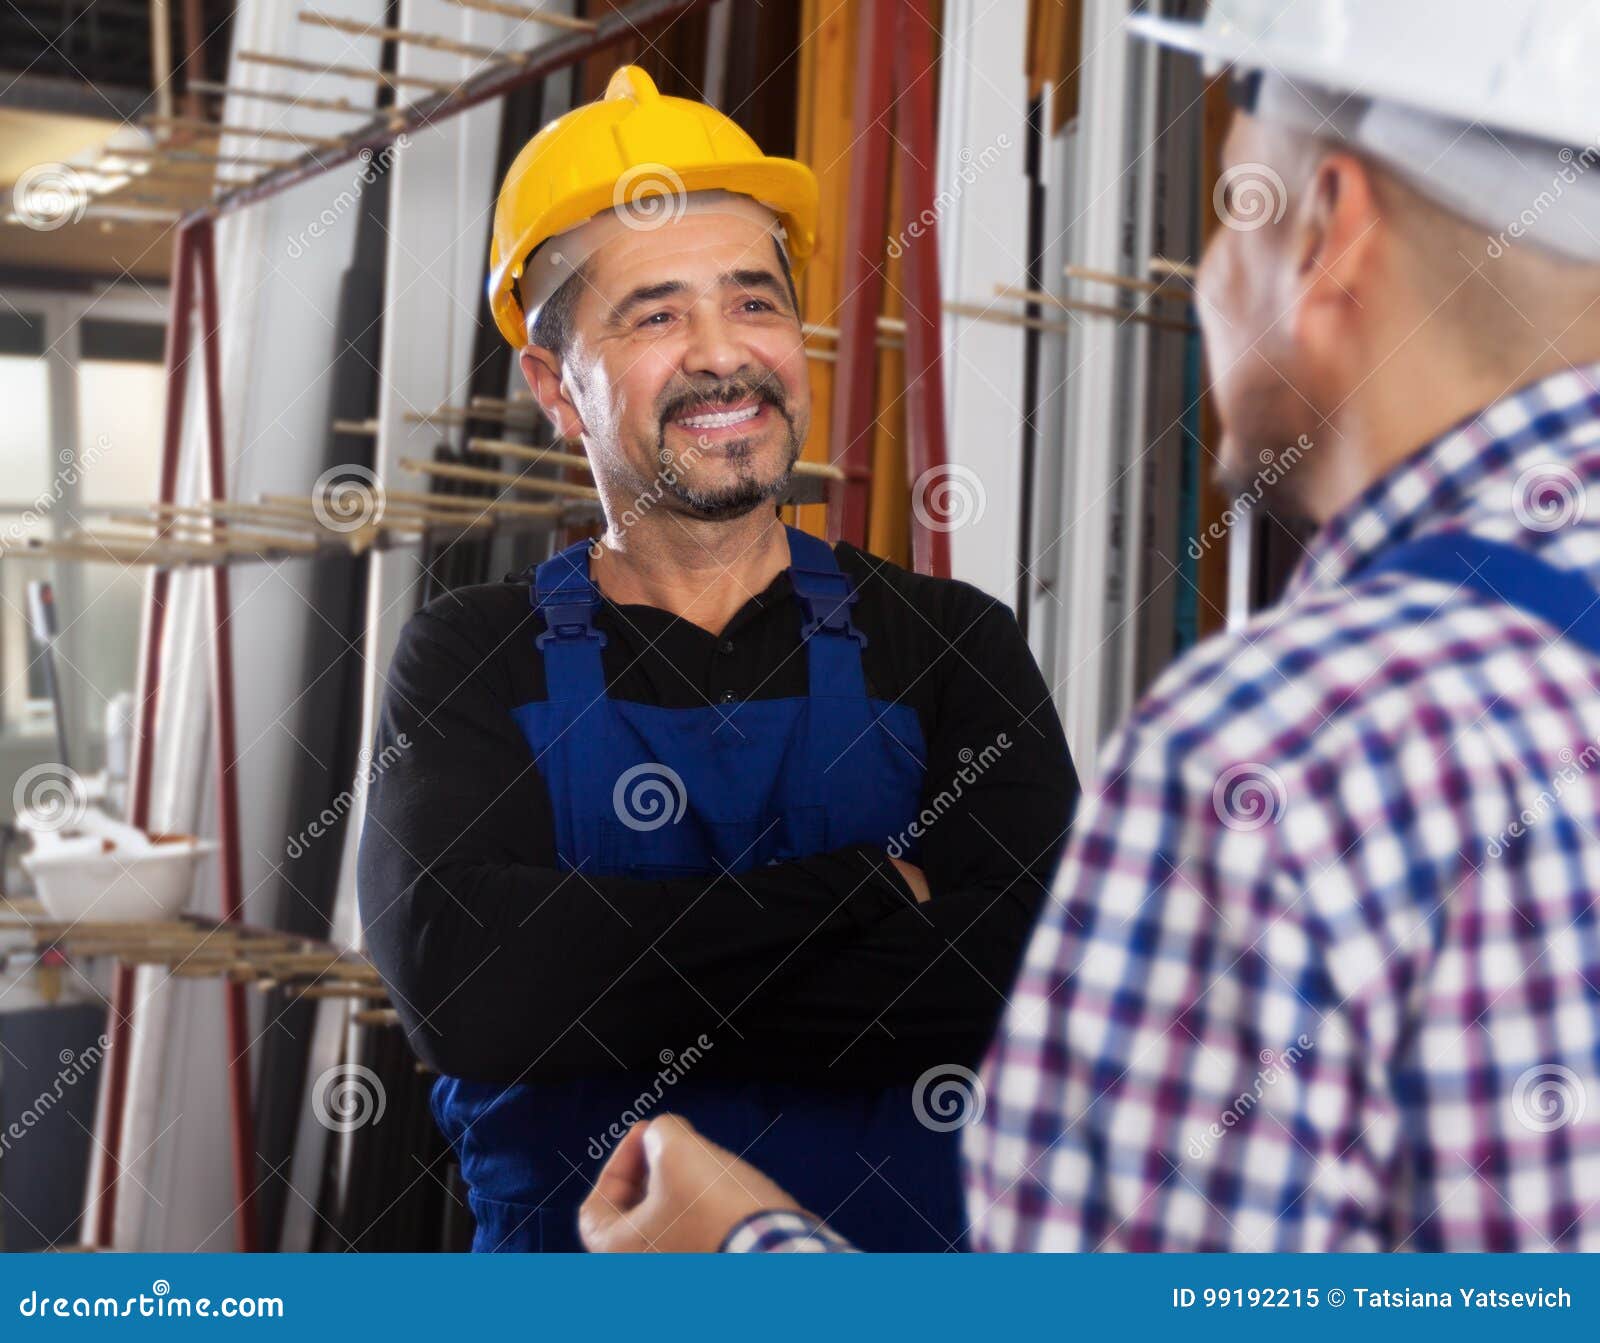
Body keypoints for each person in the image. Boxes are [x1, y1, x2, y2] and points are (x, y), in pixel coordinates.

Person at [578, 0, 1600, 1254]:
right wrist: (869, 894)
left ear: (1324, 232)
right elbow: (499, 994)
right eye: (653, 312)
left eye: (1226, 216)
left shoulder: (1301, 740)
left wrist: (743, 1261)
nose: (1205, 281)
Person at [356, 65, 1079, 1253]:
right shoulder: (477, 652)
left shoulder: (952, 639)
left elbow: (1034, 982)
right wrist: (866, 891)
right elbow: (470, 993)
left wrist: (608, 986)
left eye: (755, 303)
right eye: (654, 314)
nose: (720, 354)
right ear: (556, 388)